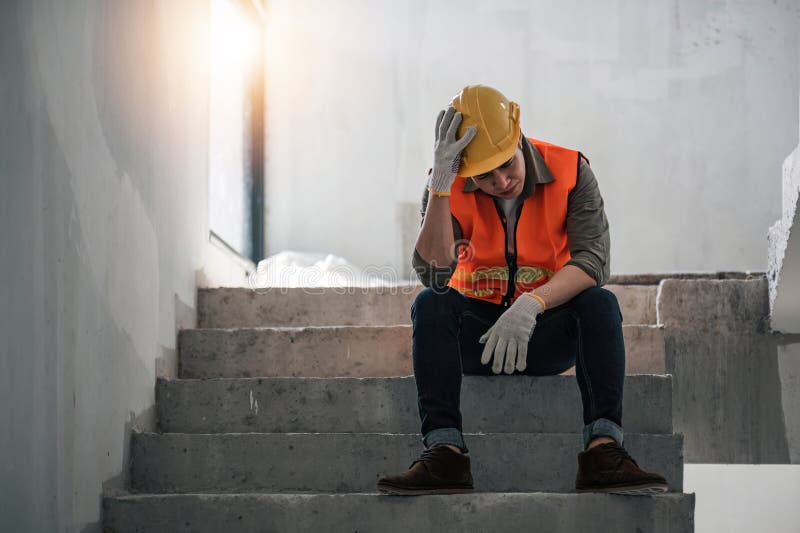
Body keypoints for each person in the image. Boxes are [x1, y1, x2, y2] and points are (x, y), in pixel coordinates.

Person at [376, 84, 668, 495]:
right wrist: (441, 184)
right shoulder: (448, 183)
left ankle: (603, 453)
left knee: (601, 303)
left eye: (506, 164)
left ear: (518, 136)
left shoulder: (570, 170)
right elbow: (435, 274)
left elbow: (593, 261)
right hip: (476, 339)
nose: (500, 180)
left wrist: (533, 303)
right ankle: (445, 454)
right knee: (430, 303)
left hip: (547, 332)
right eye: (484, 174)